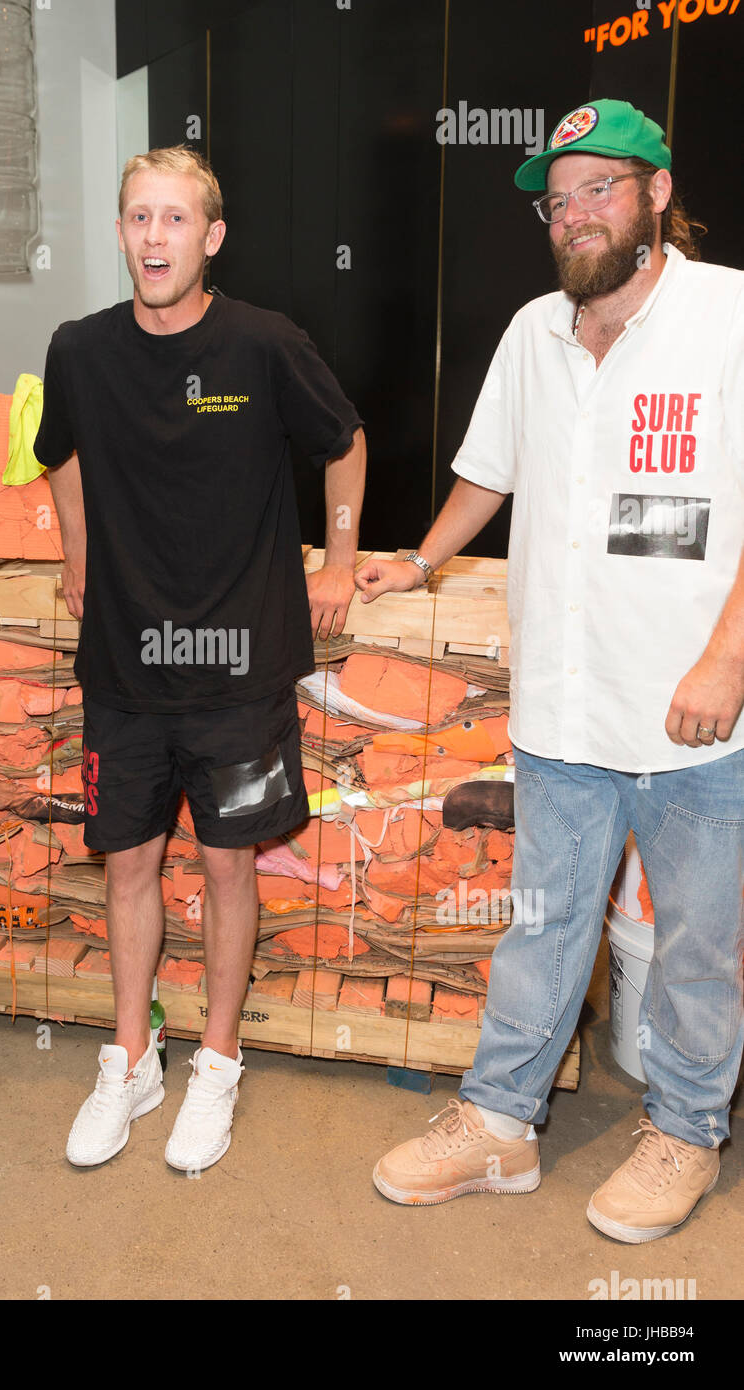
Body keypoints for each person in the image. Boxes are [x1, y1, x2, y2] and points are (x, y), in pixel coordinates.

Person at [360, 99, 744, 1243]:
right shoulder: (533, 329)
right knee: (542, 922)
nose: (572, 214)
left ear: (657, 193)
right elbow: (490, 473)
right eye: (556, 197)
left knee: (696, 939)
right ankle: (500, 1123)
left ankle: (683, 1127)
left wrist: (728, 656)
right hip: (563, 706)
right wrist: (418, 562)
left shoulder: (728, 320)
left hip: (693, 717)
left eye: (598, 188)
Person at [33, 146, 366, 1172]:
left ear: (211, 237)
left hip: (238, 669)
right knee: (127, 864)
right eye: (139, 217)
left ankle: (216, 1062)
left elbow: (344, 440)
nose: (153, 238)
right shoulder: (81, 349)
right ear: (121, 228)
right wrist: (80, 563)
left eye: (175, 220)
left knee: (227, 868)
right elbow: (62, 455)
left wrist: (342, 559)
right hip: (124, 669)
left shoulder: (264, 344)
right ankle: (131, 1058)